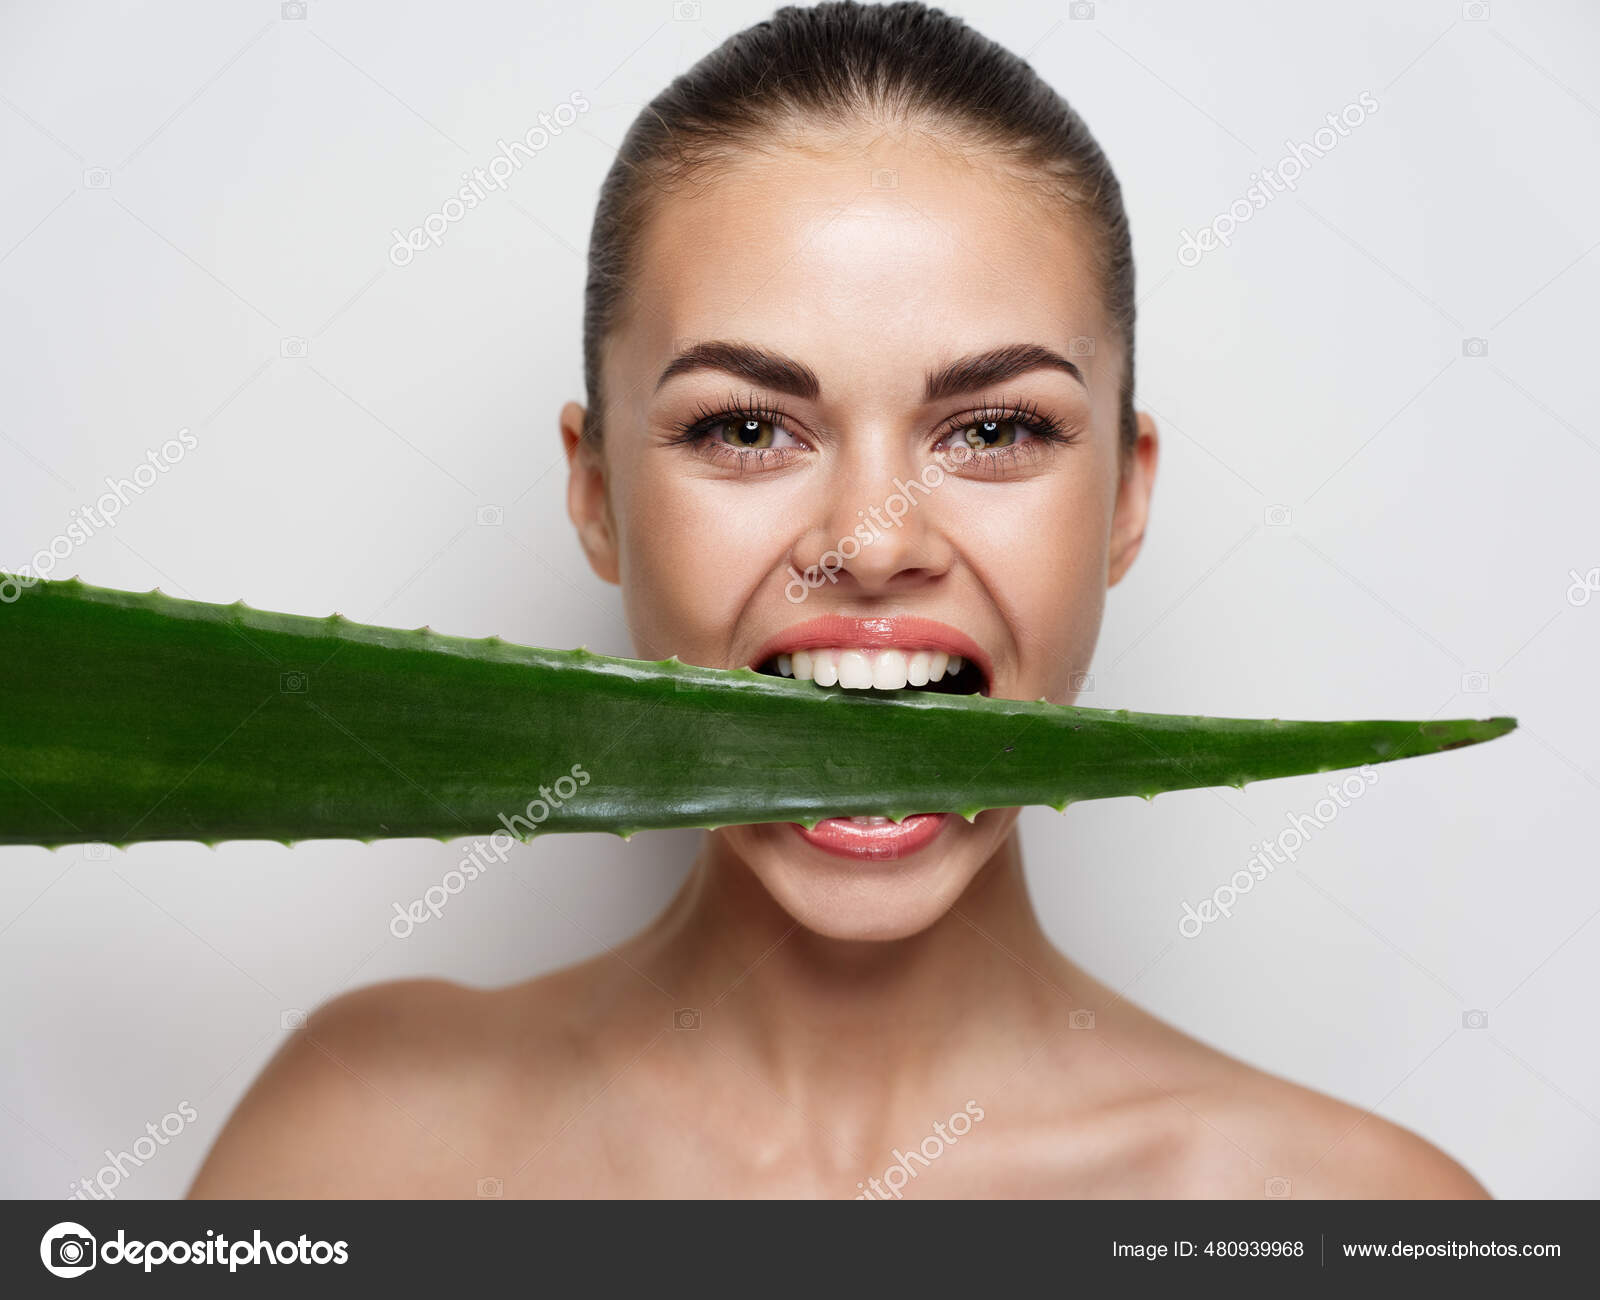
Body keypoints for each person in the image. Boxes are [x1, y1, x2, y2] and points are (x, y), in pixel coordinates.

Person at [191, 1, 1485, 1198]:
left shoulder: (1351, 1214)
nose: (875, 545)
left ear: (1126, 502)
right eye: (748, 427)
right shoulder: (364, 1140)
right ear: (594, 494)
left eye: (994, 427)